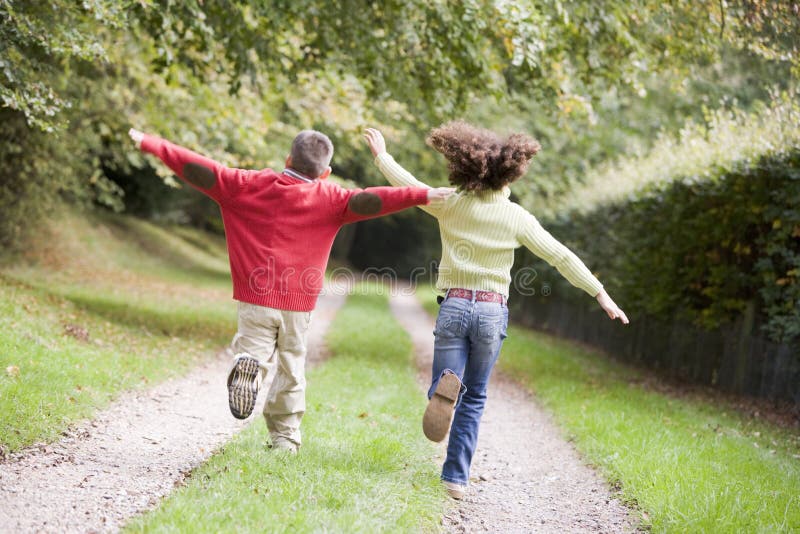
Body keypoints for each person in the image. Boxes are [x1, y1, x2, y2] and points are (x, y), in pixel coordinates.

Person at [129, 127, 453, 453]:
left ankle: (251, 371)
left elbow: (199, 169)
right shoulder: (332, 198)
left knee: (254, 350)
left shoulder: (246, 185)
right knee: (292, 367)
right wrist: (423, 194)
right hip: (299, 305)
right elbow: (373, 199)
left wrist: (153, 144)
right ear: (325, 173)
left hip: (255, 298)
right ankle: (284, 438)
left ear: (288, 158)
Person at [363, 122, 628, 498]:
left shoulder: (449, 202)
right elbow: (560, 256)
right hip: (491, 310)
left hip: (454, 303)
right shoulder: (517, 217)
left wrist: (382, 155)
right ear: (510, 175)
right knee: (475, 395)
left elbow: (410, 187)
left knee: (449, 387)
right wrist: (600, 292)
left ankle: (442, 390)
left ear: (467, 170)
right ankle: (455, 478)